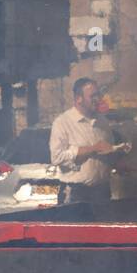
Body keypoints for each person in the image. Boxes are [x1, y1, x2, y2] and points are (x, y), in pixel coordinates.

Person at [49, 77, 126, 205]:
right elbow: (57, 157)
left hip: (102, 191)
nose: (98, 99)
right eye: (93, 96)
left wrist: (117, 159)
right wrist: (93, 148)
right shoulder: (62, 122)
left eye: (98, 95)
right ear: (78, 98)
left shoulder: (102, 121)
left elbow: (106, 152)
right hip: (76, 194)